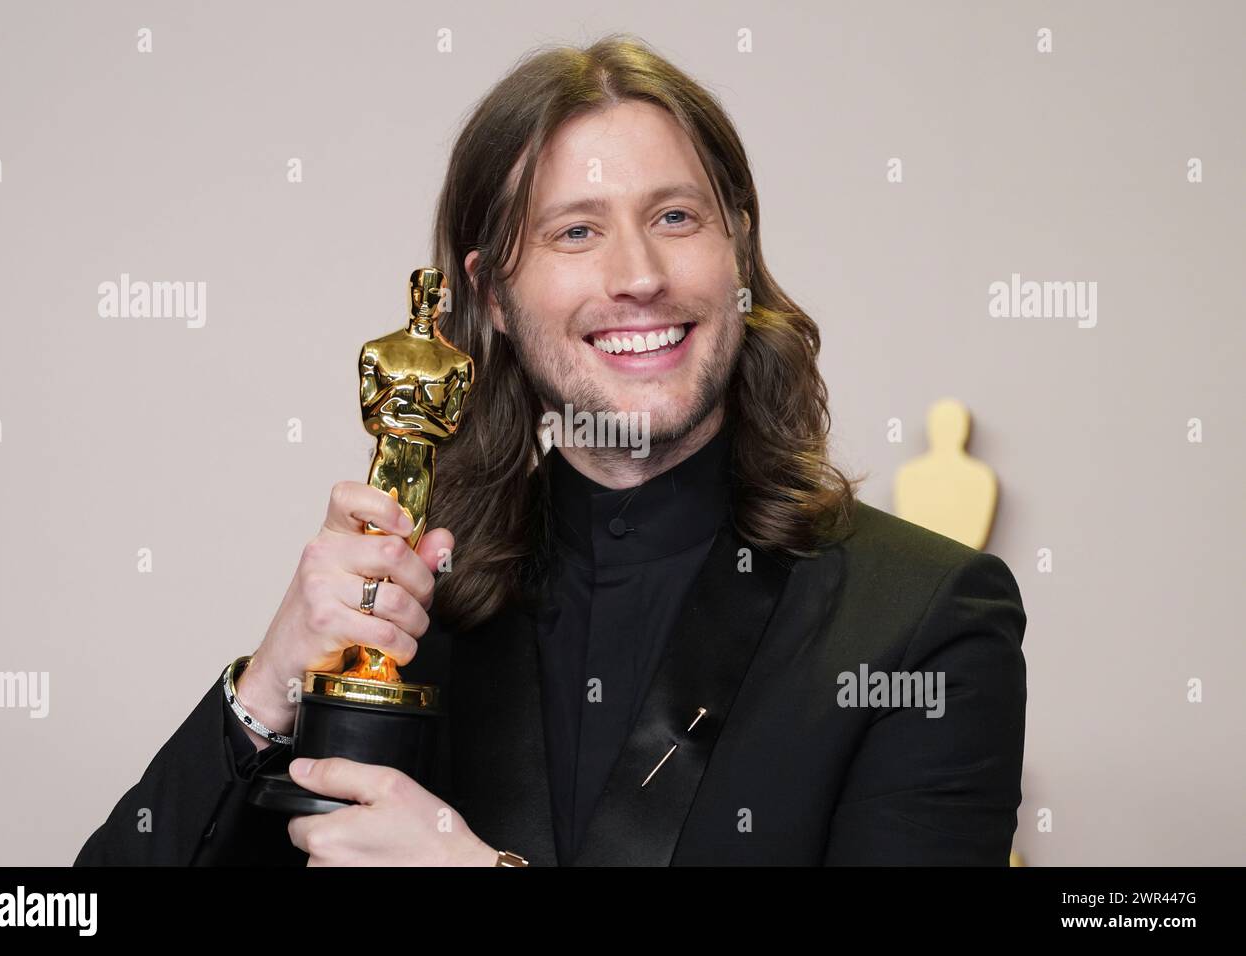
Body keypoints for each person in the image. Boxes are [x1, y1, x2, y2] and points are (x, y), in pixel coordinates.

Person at [75, 33, 1027, 867]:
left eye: (675, 218)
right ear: (492, 293)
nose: (640, 277)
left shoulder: (925, 620)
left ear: (736, 246)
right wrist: (271, 682)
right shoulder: (413, 619)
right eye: (577, 231)